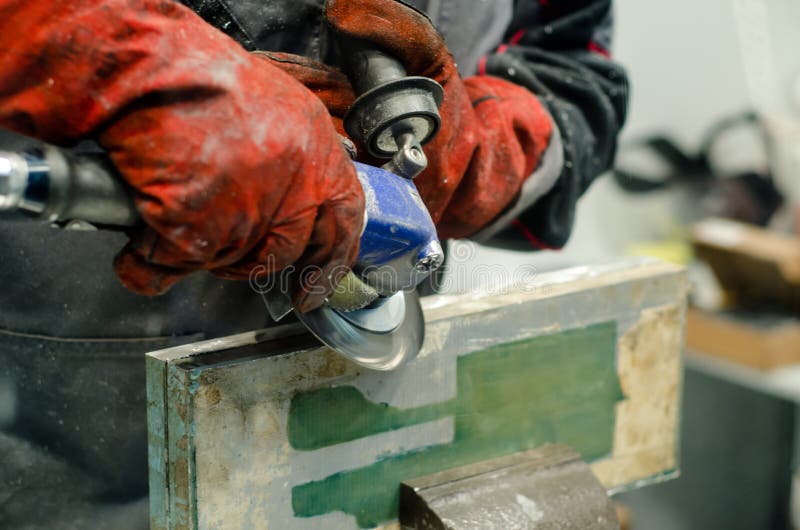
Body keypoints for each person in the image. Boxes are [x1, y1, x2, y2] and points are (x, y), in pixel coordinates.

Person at [0, 0, 627, 527]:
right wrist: (114, 55)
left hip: (369, 446)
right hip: (61, 442)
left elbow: (570, 65)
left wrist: (489, 150)